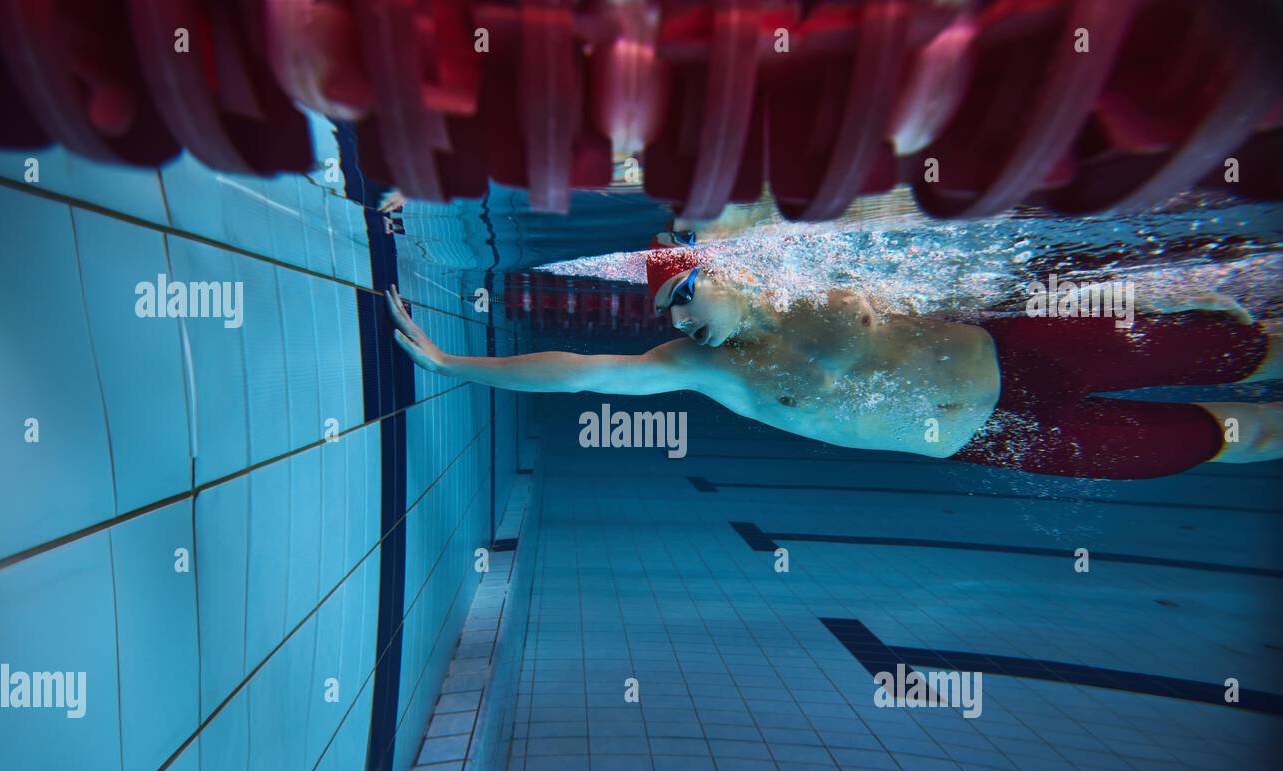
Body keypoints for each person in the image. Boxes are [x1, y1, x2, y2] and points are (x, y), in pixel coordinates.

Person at [386, 244, 1283, 480]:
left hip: (1030, 347)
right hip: (1002, 439)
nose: (676, 323)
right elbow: (582, 370)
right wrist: (452, 360)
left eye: (680, 298)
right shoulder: (710, 372)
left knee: (1234, 346)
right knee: (1223, 439)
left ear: (718, 272)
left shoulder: (824, 277)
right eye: (664, 314)